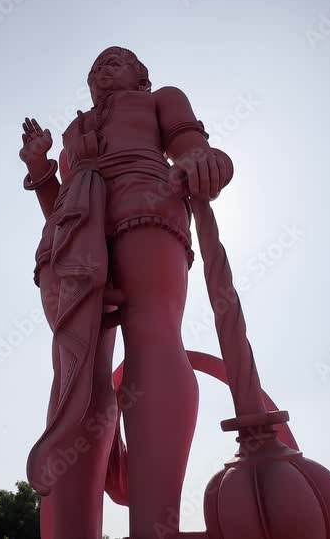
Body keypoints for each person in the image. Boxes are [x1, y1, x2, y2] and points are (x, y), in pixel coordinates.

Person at [17, 46, 233, 539]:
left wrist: (204, 162)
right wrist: (42, 171)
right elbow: (61, 206)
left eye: (117, 60)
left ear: (142, 75)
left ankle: (154, 528)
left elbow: (191, 147)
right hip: (70, 237)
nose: (102, 67)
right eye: (95, 66)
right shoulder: (75, 132)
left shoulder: (161, 100)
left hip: (146, 203)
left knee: (153, 336)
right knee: (75, 368)